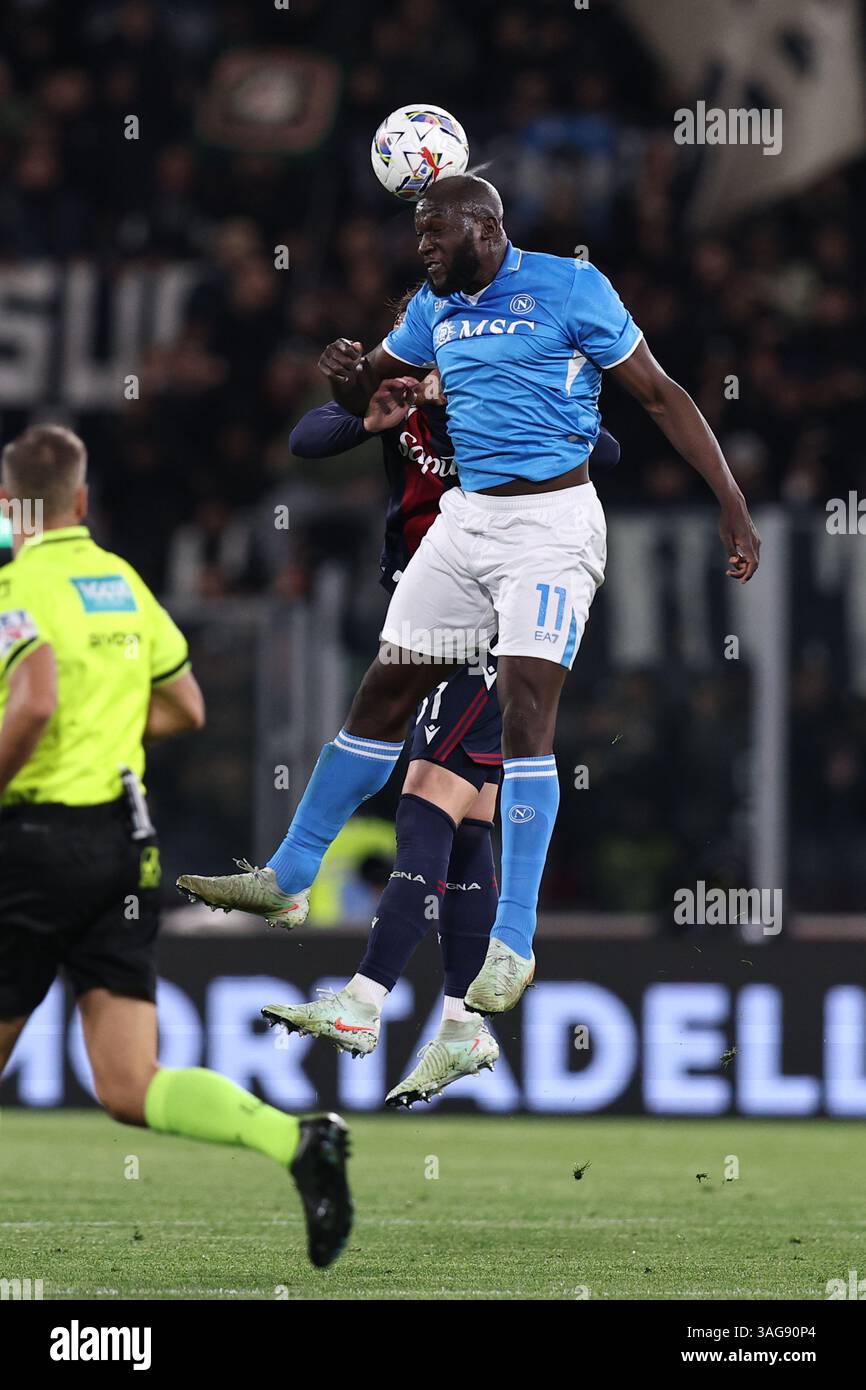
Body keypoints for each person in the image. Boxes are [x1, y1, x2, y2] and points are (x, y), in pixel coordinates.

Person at [179, 173, 760, 1020]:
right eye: (417, 237)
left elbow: (660, 395)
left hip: (551, 530)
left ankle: (514, 941)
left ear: (483, 227)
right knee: (383, 690)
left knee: (528, 709)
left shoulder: (571, 286)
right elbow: (360, 399)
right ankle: (290, 875)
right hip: (466, 523)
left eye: (432, 233)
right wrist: (346, 375)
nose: (421, 249)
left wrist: (731, 500)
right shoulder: (431, 307)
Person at [0, 425, 351, 1268]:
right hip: (127, 845)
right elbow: (186, 707)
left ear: (12, 510)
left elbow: (37, 701)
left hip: (36, 843)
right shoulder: (120, 582)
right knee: (129, 1084)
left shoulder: (16, 585)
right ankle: (297, 1140)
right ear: (82, 501)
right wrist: (110, 726)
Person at [251, 343, 618, 1106]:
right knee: (468, 826)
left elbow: (604, 446)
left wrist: (501, 400)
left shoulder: (506, 394)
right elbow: (308, 437)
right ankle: (459, 1026)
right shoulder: (402, 399)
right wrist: (387, 407)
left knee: (425, 796)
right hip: (430, 619)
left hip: (495, 618)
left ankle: (364, 999)